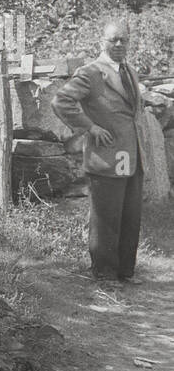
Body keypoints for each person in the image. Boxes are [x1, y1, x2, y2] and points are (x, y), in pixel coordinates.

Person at [51, 19, 148, 282]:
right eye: (113, 39)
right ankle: (104, 274)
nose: (119, 44)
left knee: (130, 216)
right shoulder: (90, 73)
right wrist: (90, 127)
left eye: (123, 40)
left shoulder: (130, 71)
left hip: (131, 156)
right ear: (101, 42)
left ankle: (126, 272)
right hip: (105, 157)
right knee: (106, 218)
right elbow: (61, 100)